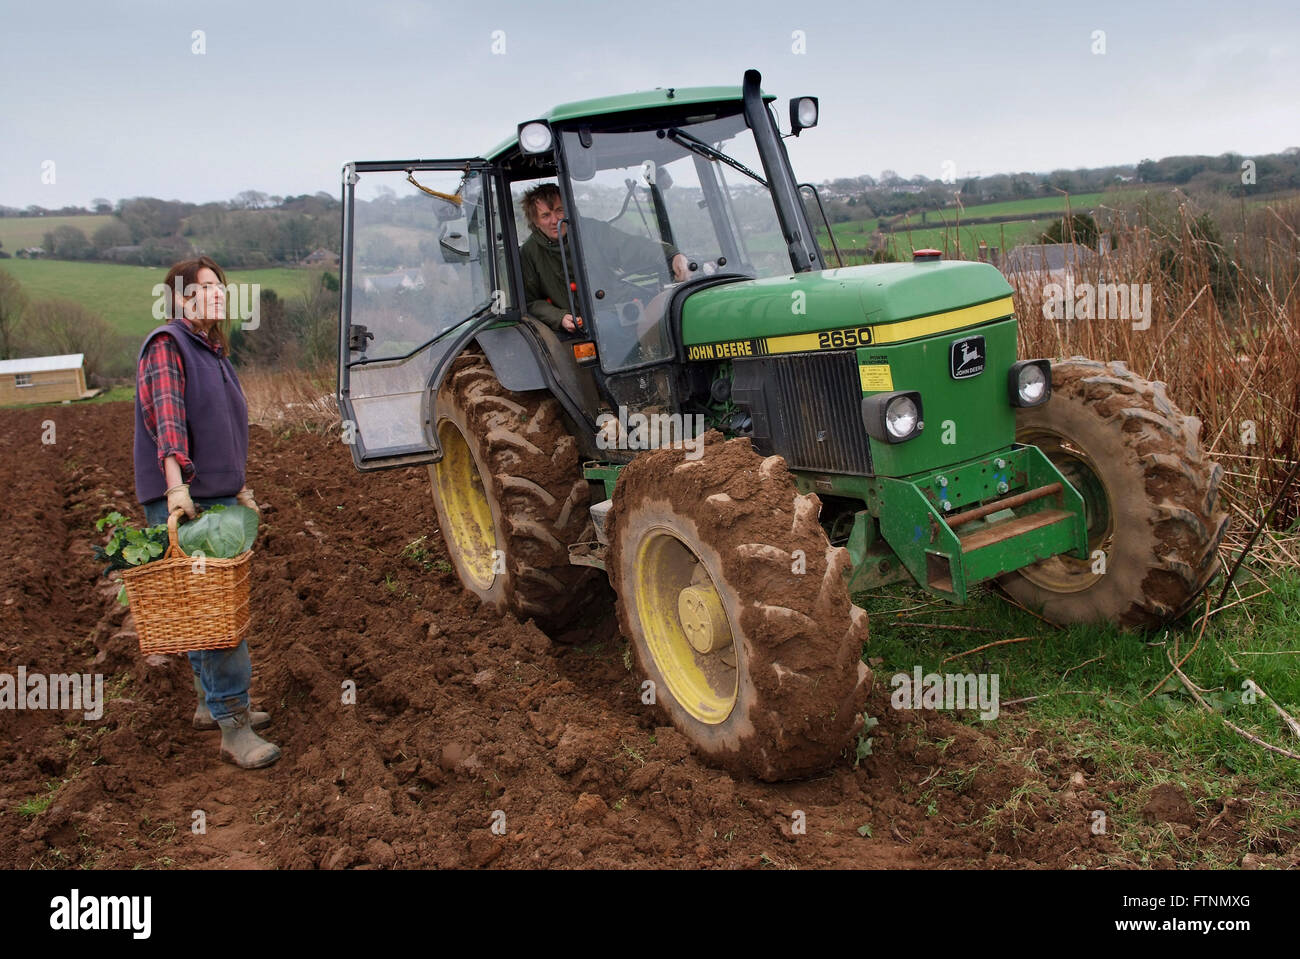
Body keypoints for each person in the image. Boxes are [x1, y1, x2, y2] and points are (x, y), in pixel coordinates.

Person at [133, 255, 281, 770]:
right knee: (217, 618)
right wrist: (177, 489)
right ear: (177, 298)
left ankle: (207, 706)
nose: (215, 295)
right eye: (202, 289)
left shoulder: (213, 351)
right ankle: (233, 728)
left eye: (219, 287)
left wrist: (237, 486)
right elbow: (168, 422)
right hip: (186, 498)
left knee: (204, 610)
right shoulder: (168, 345)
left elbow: (222, 428)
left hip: (213, 495)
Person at [519, 182, 690, 333]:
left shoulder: (592, 231)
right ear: (535, 221)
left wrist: (671, 256)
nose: (554, 220)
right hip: (577, 322)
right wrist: (559, 317)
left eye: (559, 211)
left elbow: (630, 248)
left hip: (613, 306)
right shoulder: (529, 252)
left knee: (670, 315)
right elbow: (531, 301)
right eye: (545, 215)